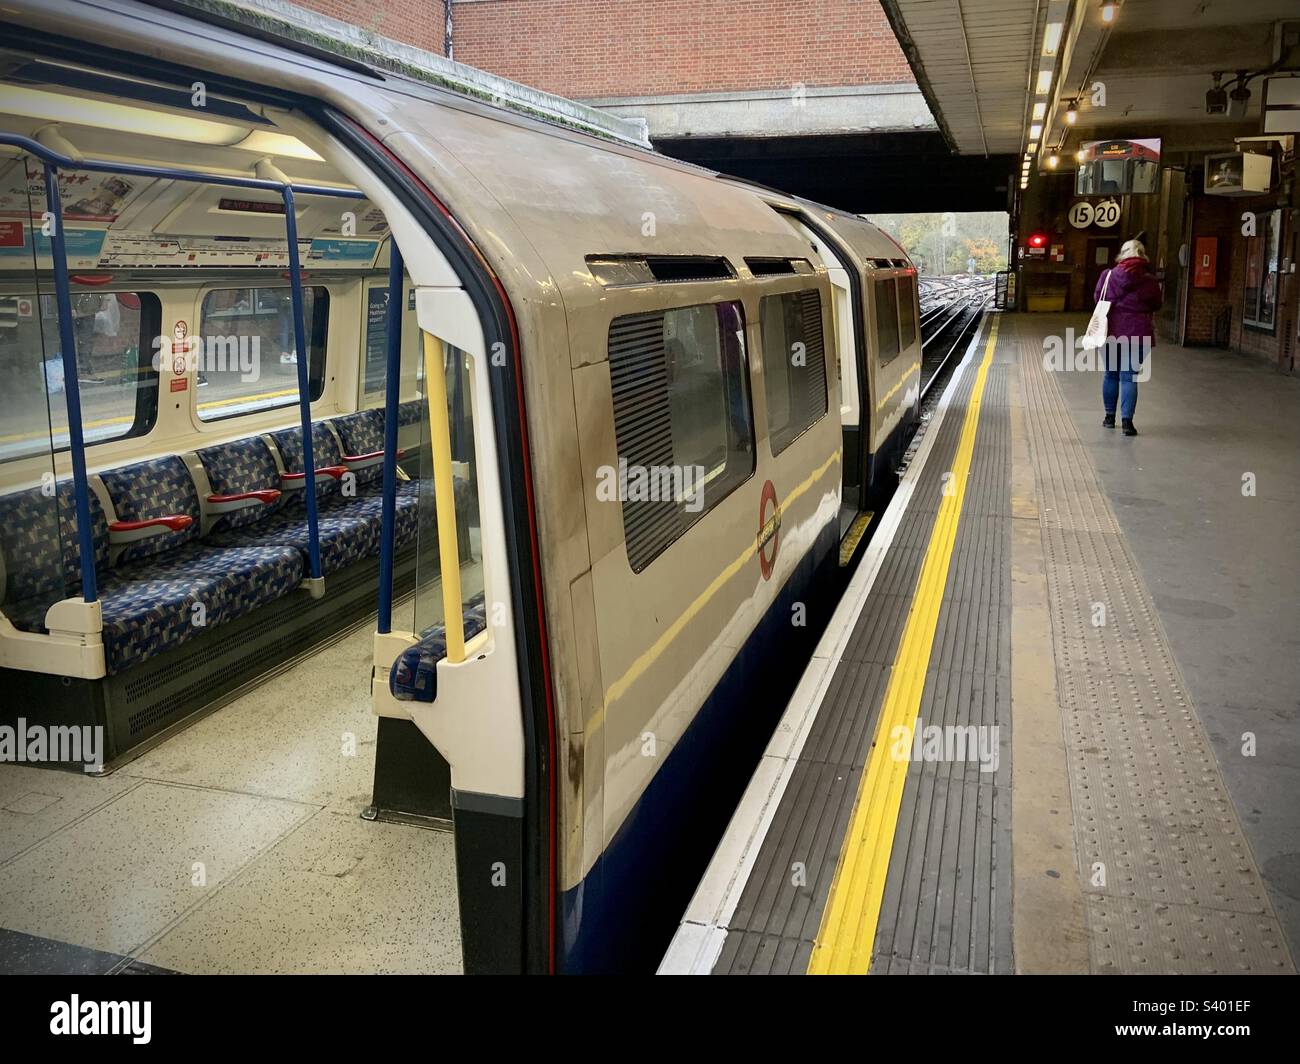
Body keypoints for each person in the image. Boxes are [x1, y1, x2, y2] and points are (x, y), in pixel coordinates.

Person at [1094, 235, 1162, 436]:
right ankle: (1127, 423)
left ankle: (1108, 418)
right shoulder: (1149, 281)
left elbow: (1098, 298)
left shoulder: (1107, 275)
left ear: (1121, 255)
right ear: (1143, 255)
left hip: (1111, 332)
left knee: (1110, 374)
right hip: (1139, 333)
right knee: (1129, 377)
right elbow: (1157, 304)